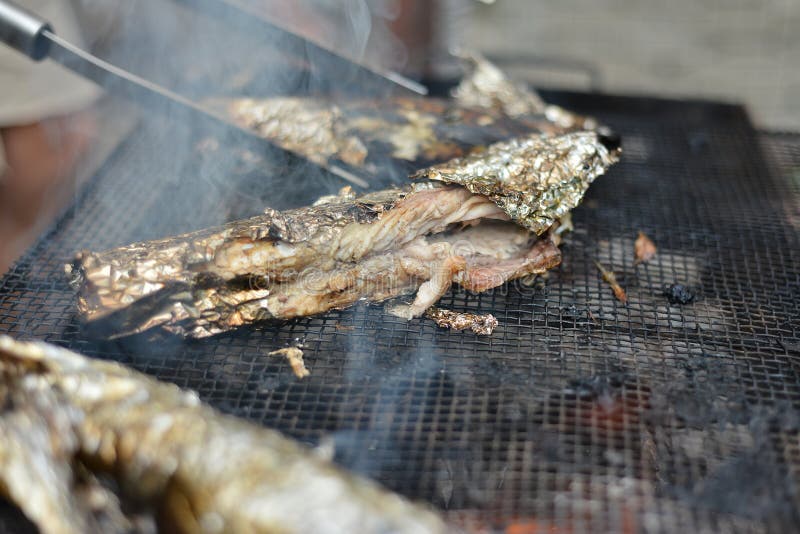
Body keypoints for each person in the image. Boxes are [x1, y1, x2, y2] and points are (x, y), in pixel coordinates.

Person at [0, 0, 101, 272]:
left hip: (43, 17)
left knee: (78, 141)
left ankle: (44, 266)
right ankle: (14, 285)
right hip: (11, 32)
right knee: (30, 193)